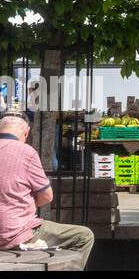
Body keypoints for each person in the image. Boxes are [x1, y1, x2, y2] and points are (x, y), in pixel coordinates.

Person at [0, 114, 95, 268]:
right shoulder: (26, 152)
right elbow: (46, 196)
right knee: (84, 236)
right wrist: (28, 203)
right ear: (26, 132)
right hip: (16, 233)